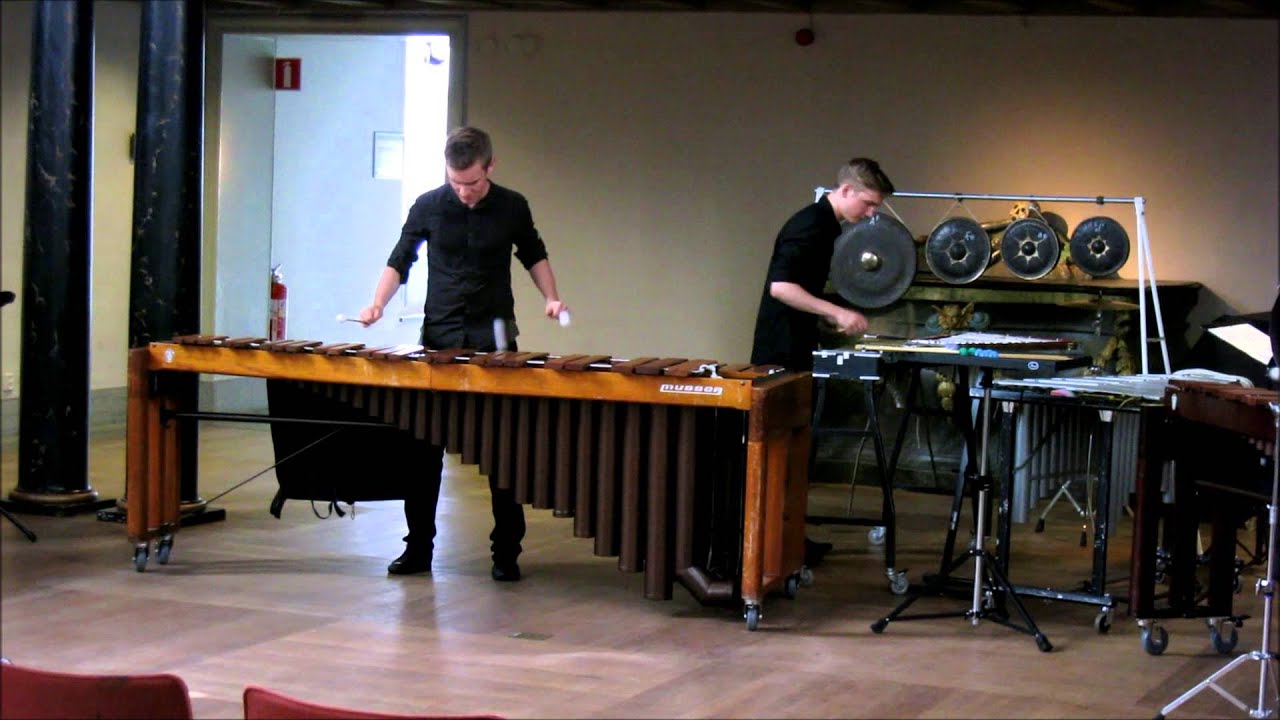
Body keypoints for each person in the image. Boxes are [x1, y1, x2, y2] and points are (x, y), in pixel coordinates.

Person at [358, 126, 569, 581]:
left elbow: (533, 253)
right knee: (422, 451)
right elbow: (400, 259)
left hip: (495, 344)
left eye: (472, 182)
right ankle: (418, 549)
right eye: (456, 183)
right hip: (440, 339)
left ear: (490, 167)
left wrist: (551, 298)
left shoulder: (512, 206)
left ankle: (506, 554)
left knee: (503, 453)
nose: (465, 192)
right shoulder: (429, 205)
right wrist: (378, 304)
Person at [750, 156, 895, 566]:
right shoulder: (810, 225)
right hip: (779, 354)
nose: (871, 214)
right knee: (779, 453)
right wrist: (836, 312)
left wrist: (829, 314)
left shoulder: (826, 226)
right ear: (846, 190)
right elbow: (781, 287)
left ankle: (789, 538)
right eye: (868, 203)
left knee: (795, 452)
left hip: (795, 347)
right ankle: (771, 544)